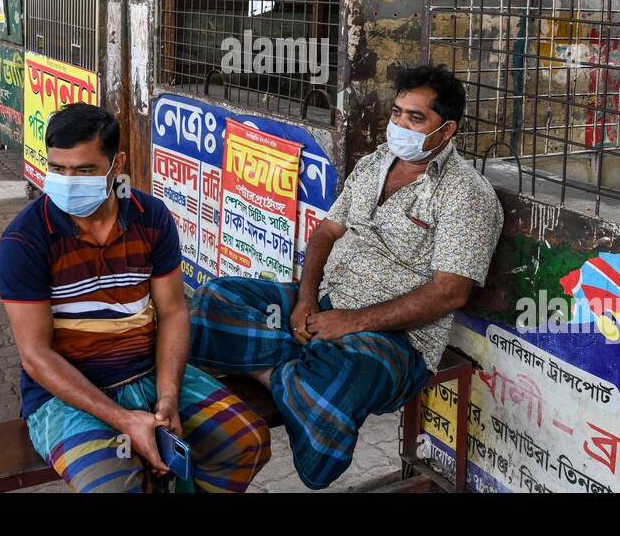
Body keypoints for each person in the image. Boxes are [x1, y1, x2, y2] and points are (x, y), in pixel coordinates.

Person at [189, 64, 504, 490]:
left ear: (446, 130)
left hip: (393, 340)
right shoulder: (376, 163)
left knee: (336, 383)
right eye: (397, 113)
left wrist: (350, 323)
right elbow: (325, 232)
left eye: (415, 118)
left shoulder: (466, 194)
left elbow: (449, 294)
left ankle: (280, 362)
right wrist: (305, 300)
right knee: (212, 301)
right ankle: (292, 369)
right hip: (325, 303)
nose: (400, 125)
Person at [0, 104, 271, 493]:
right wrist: (125, 419)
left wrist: (167, 397)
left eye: (85, 169)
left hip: (146, 374)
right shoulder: (23, 240)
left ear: (117, 163)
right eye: (58, 169)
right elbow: (36, 356)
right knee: (117, 487)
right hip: (64, 396)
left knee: (246, 442)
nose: (68, 181)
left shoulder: (150, 217)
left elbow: (174, 311)